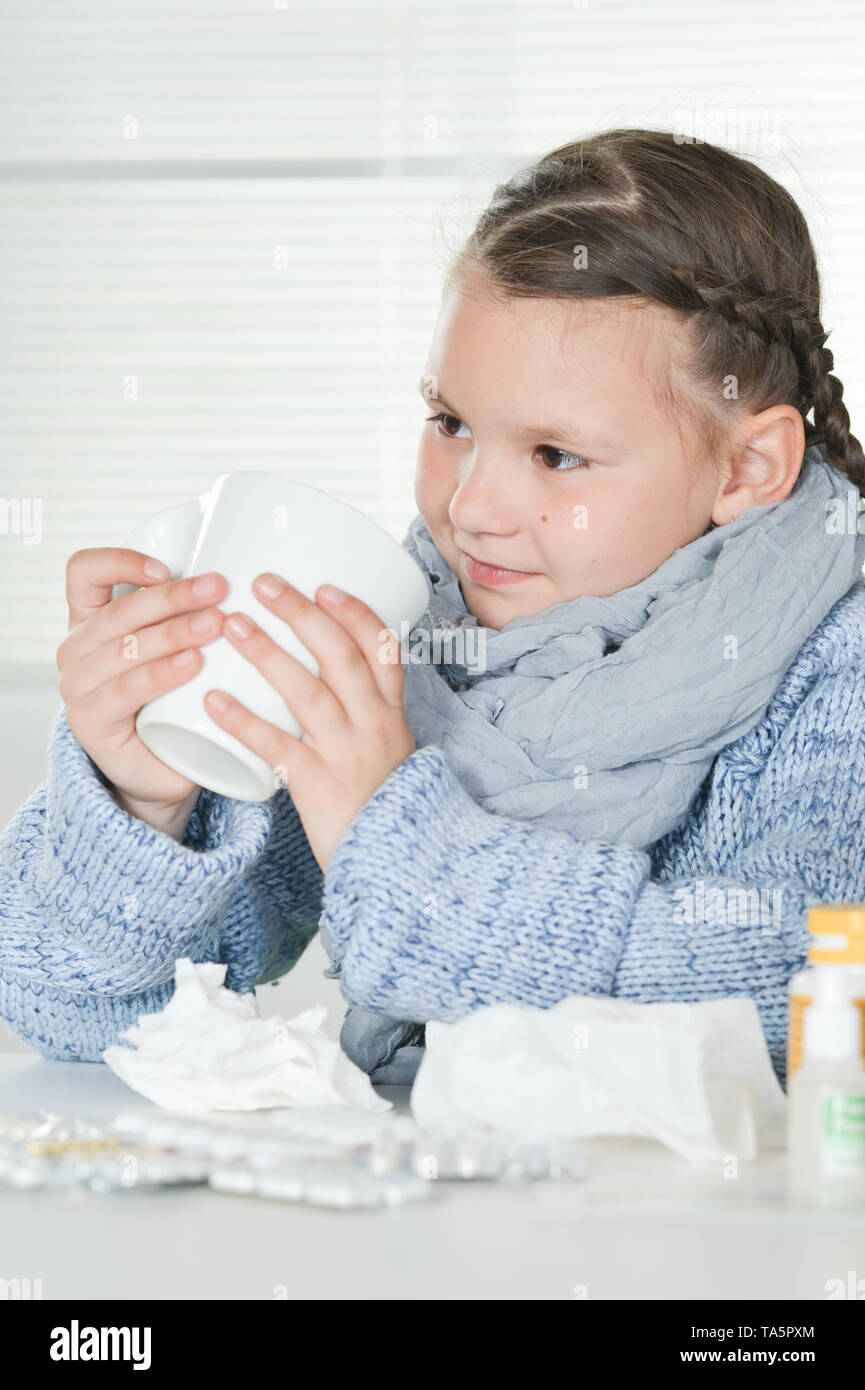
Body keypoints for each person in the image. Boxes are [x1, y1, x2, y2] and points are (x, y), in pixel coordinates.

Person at [2, 127, 864, 1091]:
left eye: (556, 456)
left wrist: (405, 848)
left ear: (747, 468)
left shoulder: (838, 665)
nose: (469, 509)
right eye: (451, 423)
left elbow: (807, 999)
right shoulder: (417, 638)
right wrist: (145, 803)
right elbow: (80, 1018)